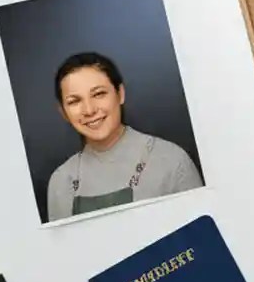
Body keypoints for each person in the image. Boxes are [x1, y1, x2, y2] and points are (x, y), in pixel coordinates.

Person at [46, 52, 203, 222]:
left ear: (120, 94)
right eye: (74, 101)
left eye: (99, 94)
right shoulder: (60, 181)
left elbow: (202, 241)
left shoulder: (172, 161)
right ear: (63, 112)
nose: (89, 110)